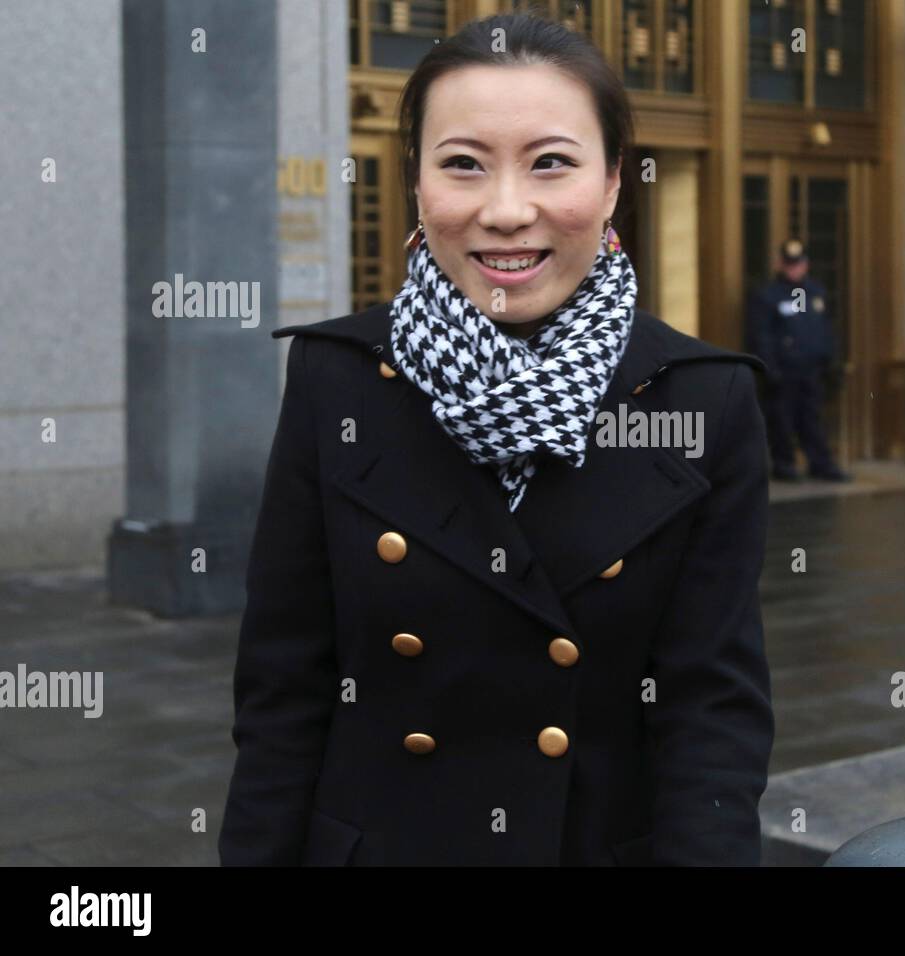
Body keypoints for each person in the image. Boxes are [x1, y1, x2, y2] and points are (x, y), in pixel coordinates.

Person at [217, 11, 774, 866]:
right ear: (416, 183)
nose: (507, 211)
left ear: (616, 179)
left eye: (552, 162)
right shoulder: (339, 377)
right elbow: (283, 686)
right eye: (463, 165)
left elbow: (711, 711)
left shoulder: (705, 399)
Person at [746, 239, 850, 482]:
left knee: (812, 419)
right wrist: (769, 368)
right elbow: (761, 335)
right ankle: (784, 464)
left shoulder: (816, 293)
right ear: (780, 264)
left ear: (806, 264)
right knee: (781, 420)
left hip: (811, 369)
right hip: (784, 370)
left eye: (799, 264)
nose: (794, 269)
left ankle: (821, 463)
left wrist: (831, 361)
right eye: (789, 264)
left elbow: (825, 330)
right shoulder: (767, 295)